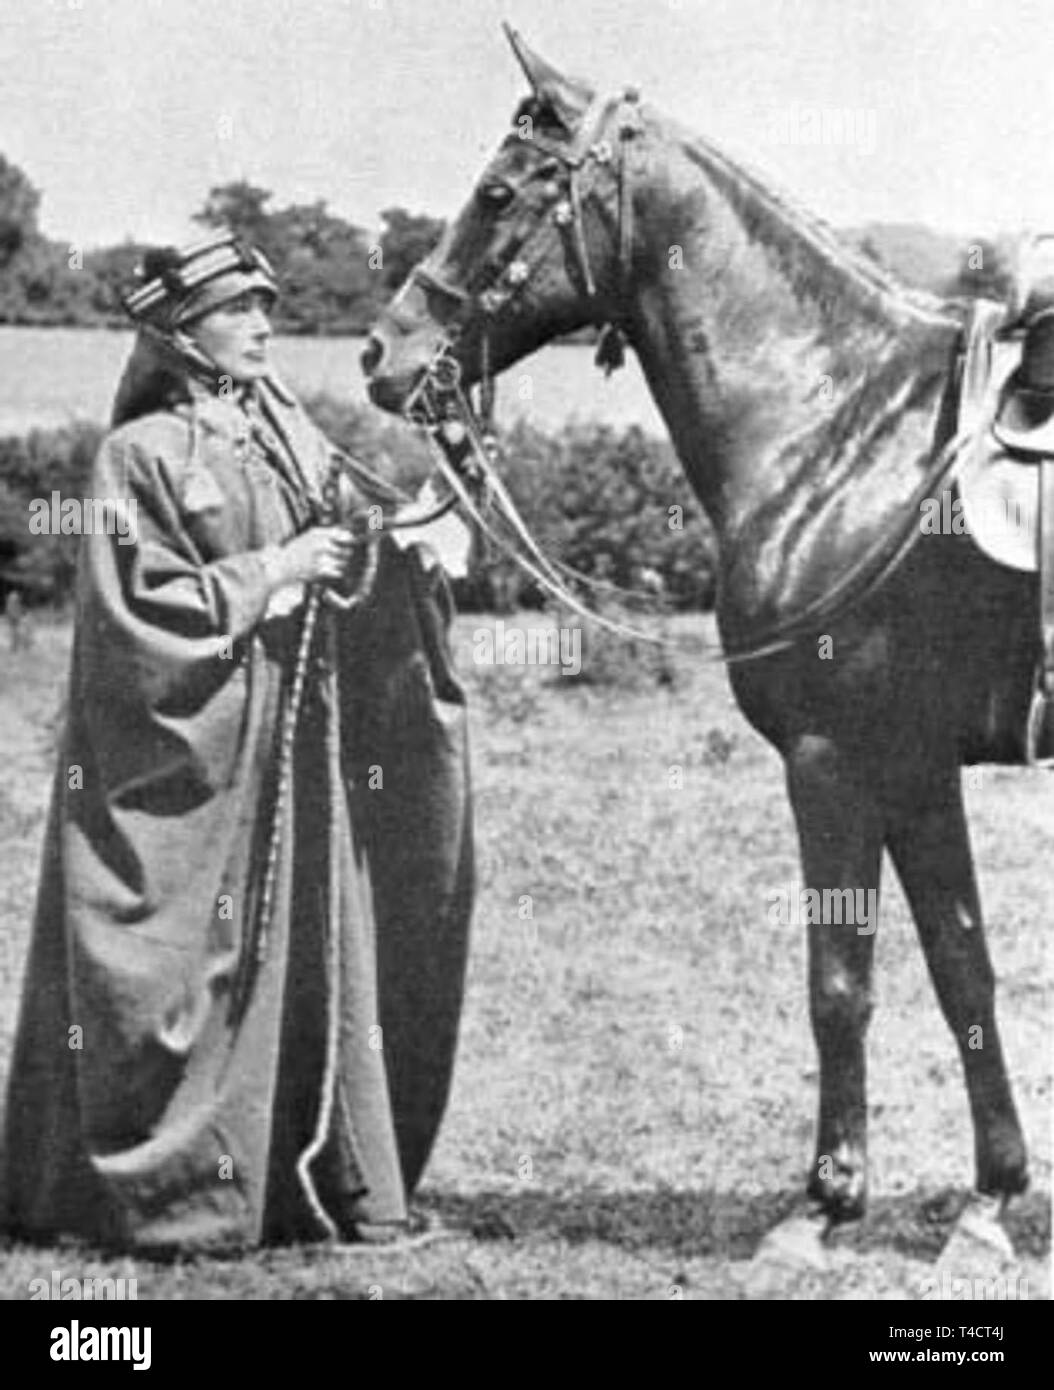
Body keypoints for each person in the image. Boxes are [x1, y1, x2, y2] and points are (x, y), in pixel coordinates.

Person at [2, 230, 474, 1254]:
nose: (264, 324)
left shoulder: (291, 435)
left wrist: (402, 543)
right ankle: (170, 1193)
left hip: (295, 753)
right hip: (192, 764)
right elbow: (139, 617)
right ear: (182, 333)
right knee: (185, 955)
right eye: (237, 310)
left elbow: (338, 545)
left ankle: (300, 1183)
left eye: (266, 305)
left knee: (308, 942)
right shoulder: (138, 457)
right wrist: (275, 573)